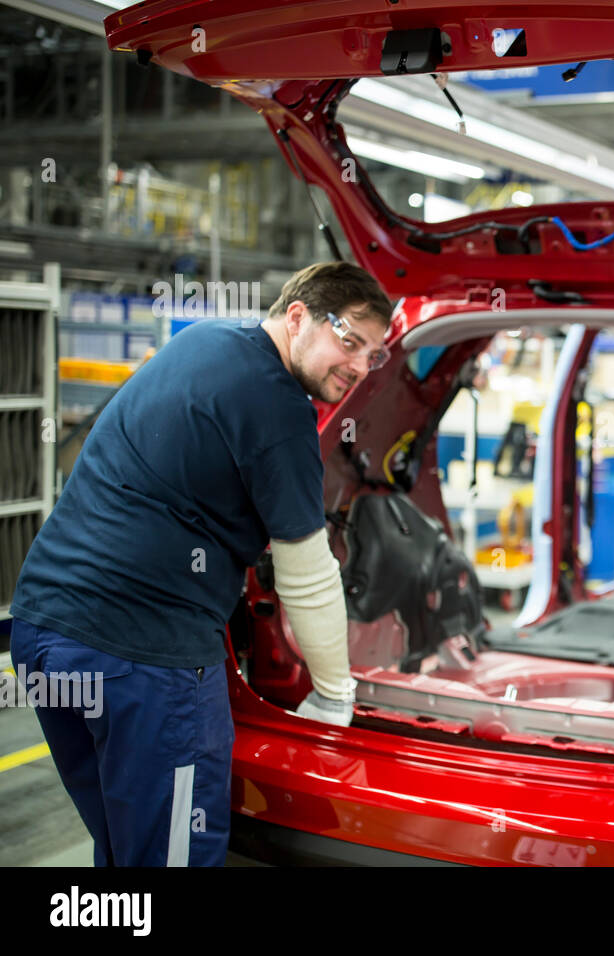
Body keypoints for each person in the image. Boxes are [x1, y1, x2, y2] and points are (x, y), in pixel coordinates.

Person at [8, 261, 394, 866]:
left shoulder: (207, 342)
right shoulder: (279, 405)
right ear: (297, 317)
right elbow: (307, 572)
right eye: (349, 340)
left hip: (47, 638)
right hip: (143, 660)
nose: (359, 366)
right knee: (173, 859)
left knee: (126, 853)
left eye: (375, 354)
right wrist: (333, 692)